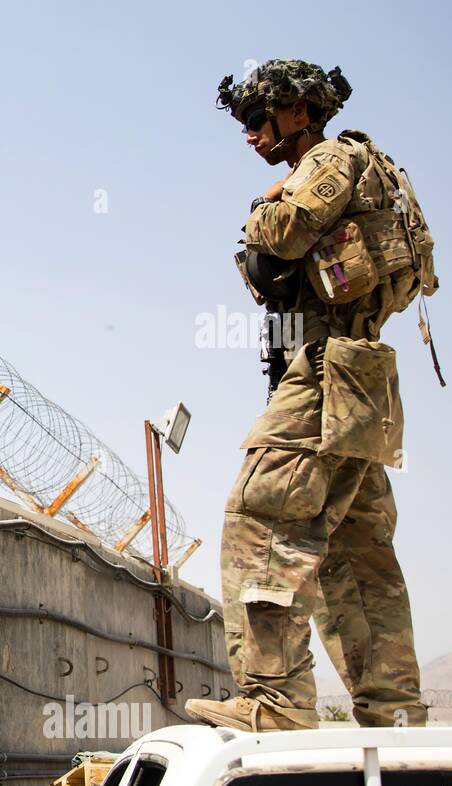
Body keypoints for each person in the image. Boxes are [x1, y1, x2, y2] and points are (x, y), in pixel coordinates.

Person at [185, 59, 438, 732]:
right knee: (357, 559)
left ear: (297, 111)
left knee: (261, 517)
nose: (249, 136)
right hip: (365, 382)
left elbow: (284, 233)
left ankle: (275, 699)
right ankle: (394, 711)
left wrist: (261, 209)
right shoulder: (366, 163)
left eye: (256, 120)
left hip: (330, 370)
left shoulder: (328, 160)